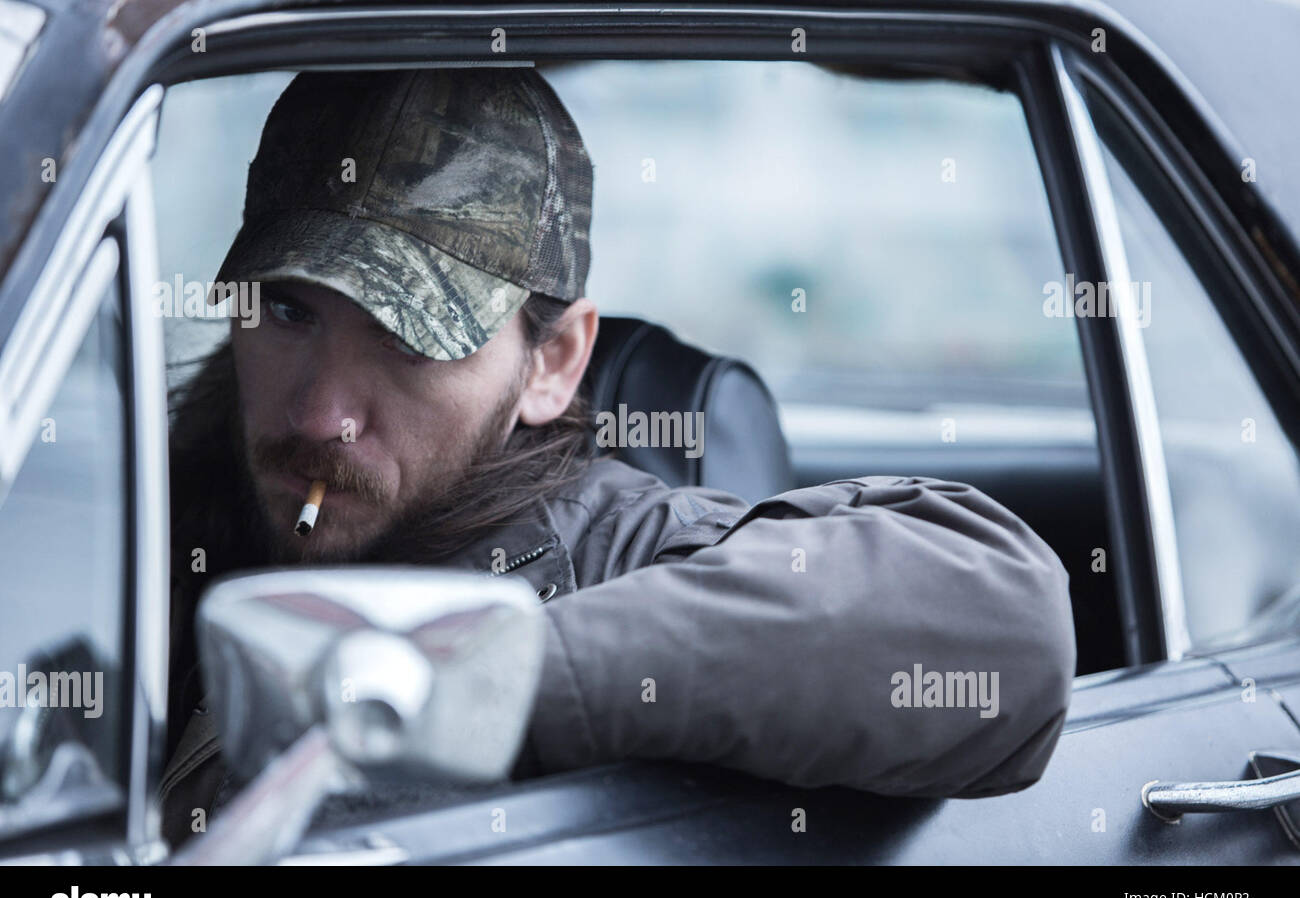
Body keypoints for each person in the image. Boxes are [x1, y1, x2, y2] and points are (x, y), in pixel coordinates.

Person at [159, 67, 1076, 850]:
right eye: (288, 312)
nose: (321, 415)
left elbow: (1005, 623)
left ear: (552, 363)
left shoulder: (610, 552)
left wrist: (469, 679)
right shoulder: (146, 498)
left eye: (413, 341)